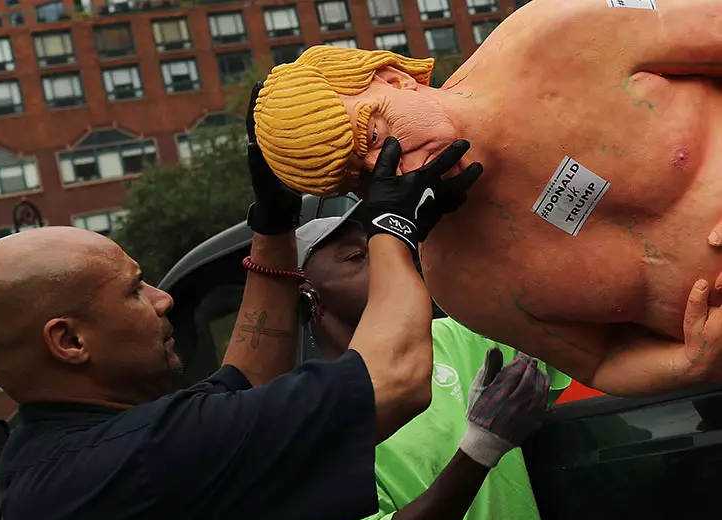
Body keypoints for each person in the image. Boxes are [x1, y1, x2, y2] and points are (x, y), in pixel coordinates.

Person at [0, 87, 482, 520]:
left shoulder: (57, 455)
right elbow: (393, 381)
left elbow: (246, 380)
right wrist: (394, 227)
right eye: (134, 291)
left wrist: (275, 218)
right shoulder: (134, 464)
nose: (162, 299)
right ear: (69, 341)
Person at [249, 0, 722, 396]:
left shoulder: (556, 35)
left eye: (373, 136)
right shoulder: (459, 279)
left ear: (393, 79)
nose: (389, 167)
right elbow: (601, 362)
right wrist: (687, 364)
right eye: (358, 178)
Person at [294, 213, 570, 520]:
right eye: (356, 257)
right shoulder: (305, 424)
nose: (389, 262)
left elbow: (556, 309)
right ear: (306, 292)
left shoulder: (456, 337)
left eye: (385, 248)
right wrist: (481, 447)